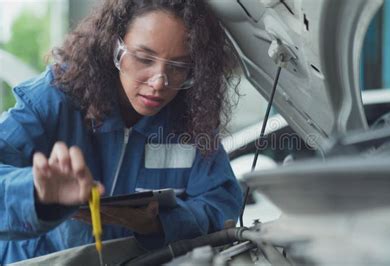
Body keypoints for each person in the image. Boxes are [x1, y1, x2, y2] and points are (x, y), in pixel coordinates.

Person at [0, 0, 243, 264]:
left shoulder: (192, 119)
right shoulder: (53, 97)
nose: (159, 82)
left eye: (178, 66)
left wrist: (157, 223)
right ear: (113, 47)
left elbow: (222, 205)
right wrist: (37, 195)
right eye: (143, 58)